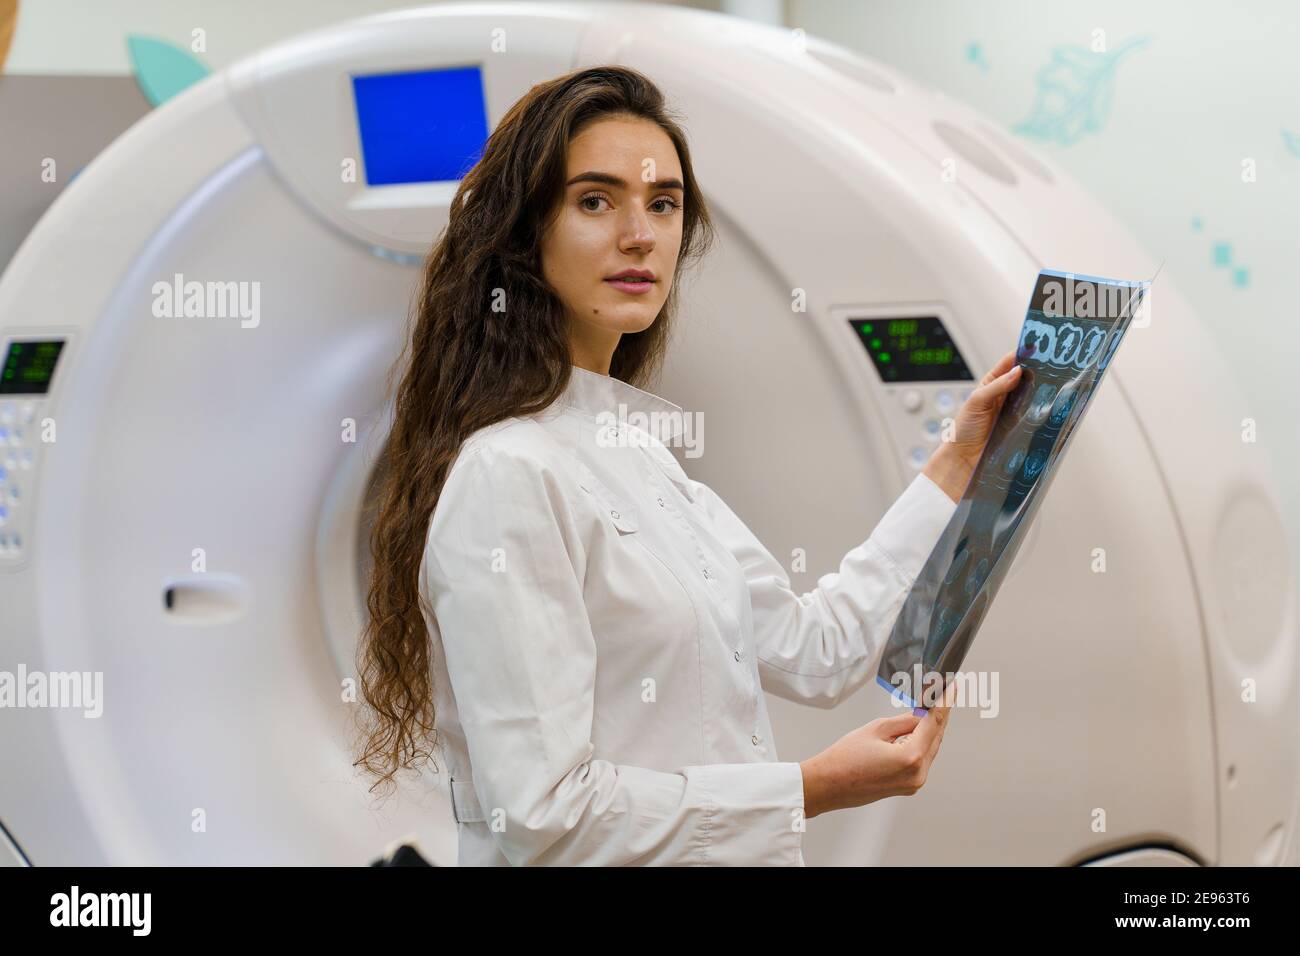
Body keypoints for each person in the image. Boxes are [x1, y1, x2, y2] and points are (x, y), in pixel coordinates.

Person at [354, 65, 1022, 866]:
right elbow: (543, 816)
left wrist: (959, 459)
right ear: (526, 234)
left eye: (663, 204)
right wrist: (808, 787)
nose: (640, 235)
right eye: (595, 201)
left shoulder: (644, 464)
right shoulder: (511, 475)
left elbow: (819, 651)